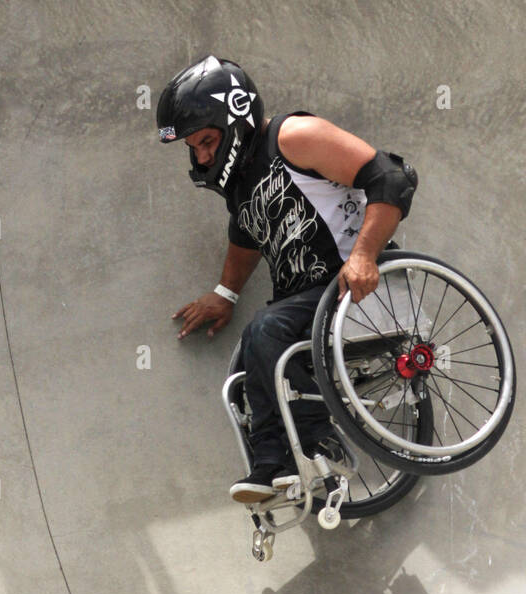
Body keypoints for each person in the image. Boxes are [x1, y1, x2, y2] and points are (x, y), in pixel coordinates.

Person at [157, 55, 417, 500]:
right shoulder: (239, 183)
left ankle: (317, 446)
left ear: (235, 117)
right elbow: (245, 237)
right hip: (308, 308)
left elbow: (391, 177)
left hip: (357, 288)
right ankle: (275, 470)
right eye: (193, 148)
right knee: (246, 364)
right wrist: (225, 294)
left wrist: (365, 256)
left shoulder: (294, 136)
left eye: (206, 141)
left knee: (266, 329)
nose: (201, 156)